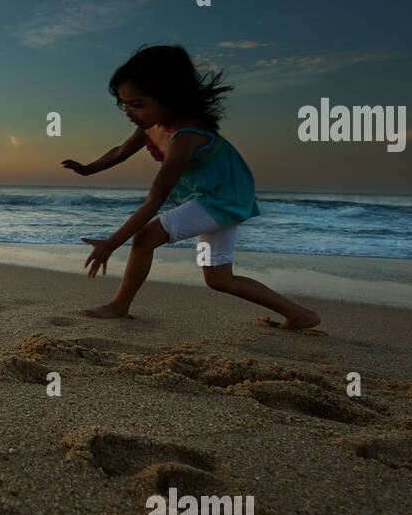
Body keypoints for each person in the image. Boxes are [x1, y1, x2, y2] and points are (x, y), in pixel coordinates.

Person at [61, 44, 320, 329]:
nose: (129, 112)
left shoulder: (183, 138)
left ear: (169, 98)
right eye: (124, 104)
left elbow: (153, 202)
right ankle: (300, 315)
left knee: (145, 238)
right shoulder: (151, 124)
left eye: (137, 104)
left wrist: (111, 243)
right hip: (221, 196)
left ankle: (119, 306)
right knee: (219, 279)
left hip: (221, 199)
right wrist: (88, 169)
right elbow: (120, 151)